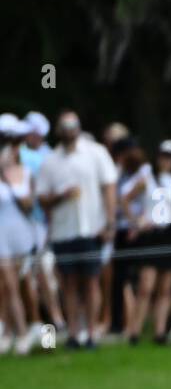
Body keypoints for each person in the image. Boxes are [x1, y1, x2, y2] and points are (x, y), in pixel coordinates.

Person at [35, 110, 117, 350]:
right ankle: (73, 333)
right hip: (63, 230)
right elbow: (43, 199)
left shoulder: (96, 153)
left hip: (91, 228)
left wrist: (110, 221)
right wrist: (61, 196)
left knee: (92, 281)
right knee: (68, 283)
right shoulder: (50, 161)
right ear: (59, 131)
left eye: (73, 126)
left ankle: (91, 333)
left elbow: (109, 187)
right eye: (65, 127)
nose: (69, 131)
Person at [127, 139, 171, 345]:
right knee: (146, 286)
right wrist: (135, 221)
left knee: (165, 288)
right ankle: (134, 330)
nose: (166, 161)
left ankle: (160, 331)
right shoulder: (147, 177)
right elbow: (125, 198)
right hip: (151, 234)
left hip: (169, 233)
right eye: (164, 156)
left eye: (170, 157)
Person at [18, 111, 64, 336]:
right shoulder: (21, 154)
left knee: (45, 274)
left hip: (42, 224)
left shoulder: (49, 155)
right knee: (26, 274)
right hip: (24, 224)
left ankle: (54, 320)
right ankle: (38, 322)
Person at [109, 137, 157, 343]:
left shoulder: (143, 174)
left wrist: (134, 223)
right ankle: (126, 324)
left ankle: (133, 325)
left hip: (136, 231)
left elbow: (126, 200)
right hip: (124, 230)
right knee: (123, 279)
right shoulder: (120, 174)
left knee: (133, 279)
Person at [0, 116, 39, 355]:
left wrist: (11, 182)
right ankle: (18, 333)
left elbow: (29, 205)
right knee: (8, 285)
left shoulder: (25, 172)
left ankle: (24, 331)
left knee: (22, 284)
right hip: (1, 235)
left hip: (22, 235)